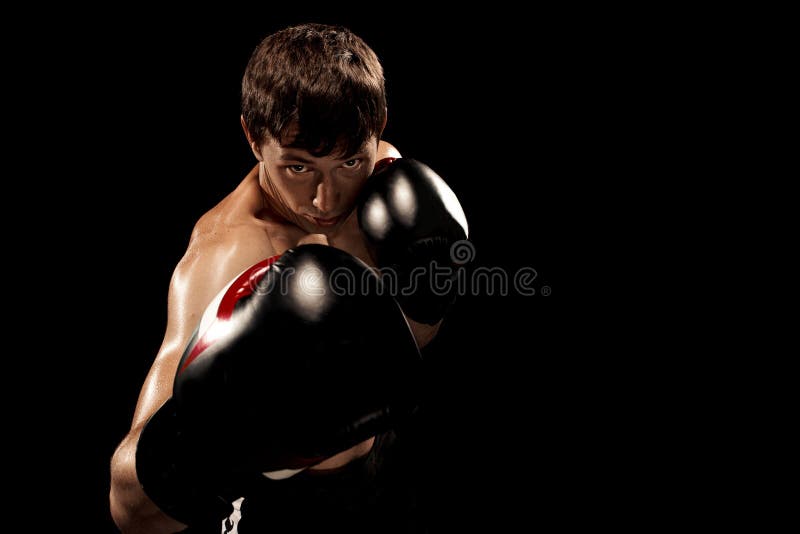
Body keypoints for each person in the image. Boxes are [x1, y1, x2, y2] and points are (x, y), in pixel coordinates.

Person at [109, 23, 468, 533]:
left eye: (348, 161)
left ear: (379, 128)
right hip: (284, 510)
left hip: (386, 470)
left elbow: (407, 344)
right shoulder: (228, 253)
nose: (327, 199)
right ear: (255, 140)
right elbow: (128, 507)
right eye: (298, 168)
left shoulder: (386, 182)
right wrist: (218, 429)